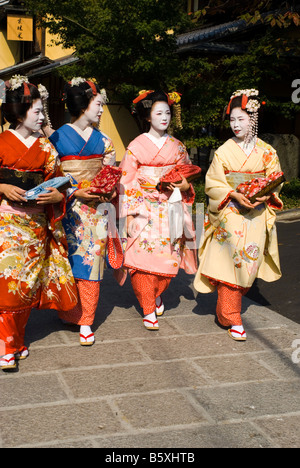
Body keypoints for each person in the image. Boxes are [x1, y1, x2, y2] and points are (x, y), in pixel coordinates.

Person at [0, 75, 77, 370]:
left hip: (35, 226)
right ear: (19, 112)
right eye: (37, 111)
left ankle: (16, 341)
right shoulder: (2, 143)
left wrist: (57, 194)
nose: (42, 116)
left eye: (43, 111)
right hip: (6, 222)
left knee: (26, 286)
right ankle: (6, 346)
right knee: (7, 285)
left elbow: (61, 183)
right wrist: (2, 187)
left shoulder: (46, 149)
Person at [193, 89, 283, 341]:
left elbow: (275, 179)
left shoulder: (267, 151)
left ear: (253, 119)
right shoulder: (224, 151)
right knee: (230, 262)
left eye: (241, 119)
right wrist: (232, 194)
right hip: (231, 212)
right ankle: (232, 315)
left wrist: (266, 194)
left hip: (255, 213)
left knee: (248, 263)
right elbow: (213, 182)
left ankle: (226, 310)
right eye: (232, 120)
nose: (235, 124)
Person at [118, 90, 197, 330]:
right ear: (147, 117)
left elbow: (186, 173)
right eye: (158, 113)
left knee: (168, 259)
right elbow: (127, 179)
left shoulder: (177, 147)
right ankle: (148, 307)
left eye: (168, 113)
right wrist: (130, 214)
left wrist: (185, 185)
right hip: (144, 207)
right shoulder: (136, 146)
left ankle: (155, 293)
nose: (165, 117)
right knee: (141, 258)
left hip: (171, 205)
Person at [49, 77, 117, 346]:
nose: (101, 110)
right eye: (98, 104)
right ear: (83, 104)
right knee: (68, 260)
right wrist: (75, 191)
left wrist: (108, 189)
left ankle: (86, 319)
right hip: (67, 205)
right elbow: (52, 174)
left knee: (92, 261)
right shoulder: (56, 138)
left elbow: (110, 172)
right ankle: (69, 311)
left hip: (96, 208)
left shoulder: (104, 140)